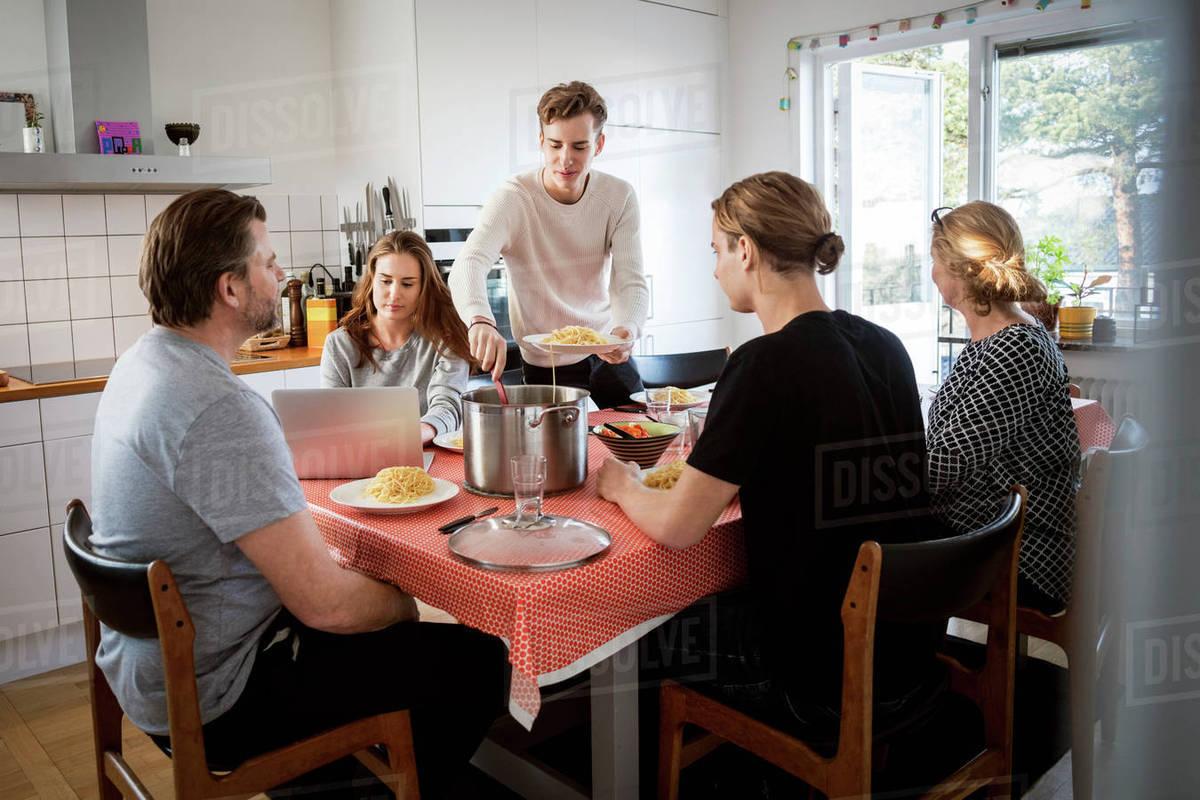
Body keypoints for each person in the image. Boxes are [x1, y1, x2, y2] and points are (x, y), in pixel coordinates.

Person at [90, 189, 506, 798]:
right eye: (267, 260)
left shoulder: (142, 363)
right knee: (477, 662)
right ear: (230, 288)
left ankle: (342, 771)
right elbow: (327, 607)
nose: (282, 272)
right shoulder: (219, 408)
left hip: (148, 668)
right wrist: (403, 602)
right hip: (221, 695)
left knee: (392, 643)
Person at [597, 172, 939, 730]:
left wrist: (621, 485)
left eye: (716, 251)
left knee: (643, 630)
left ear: (746, 250)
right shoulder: (887, 346)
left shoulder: (762, 364)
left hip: (822, 671)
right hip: (907, 648)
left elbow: (680, 527)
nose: (714, 269)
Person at [448, 80, 649, 409]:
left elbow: (631, 279)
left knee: (645, 436)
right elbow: (469, 263)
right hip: (547, 363)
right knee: (561, 457)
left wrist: (627, 327)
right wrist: (479, 320)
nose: (565, 160)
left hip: (606, 347)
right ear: (541, 142)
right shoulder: (514, 199)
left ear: (599, 144)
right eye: (555, 145)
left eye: (579, 147)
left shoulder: (619, 196)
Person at [926, 201, 1080, 615]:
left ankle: (900, 671)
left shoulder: (1013, 348)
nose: (934, 274)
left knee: (860, 544)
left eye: (936, 261)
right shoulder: (1005, 338)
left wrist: (868, 473)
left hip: (1025, 556)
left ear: (960, 270)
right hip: (998, 530)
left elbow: (945, 466)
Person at [322, 230, 472, 444]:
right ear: (372, 280)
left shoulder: (447, 340)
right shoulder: (339, 344)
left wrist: (413, 435)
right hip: (358, 454)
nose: (394, 294)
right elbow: (332, 419)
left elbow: (447, 407)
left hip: (424, 454)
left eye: (408, 284)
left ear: (423, 287)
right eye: (385, 281)